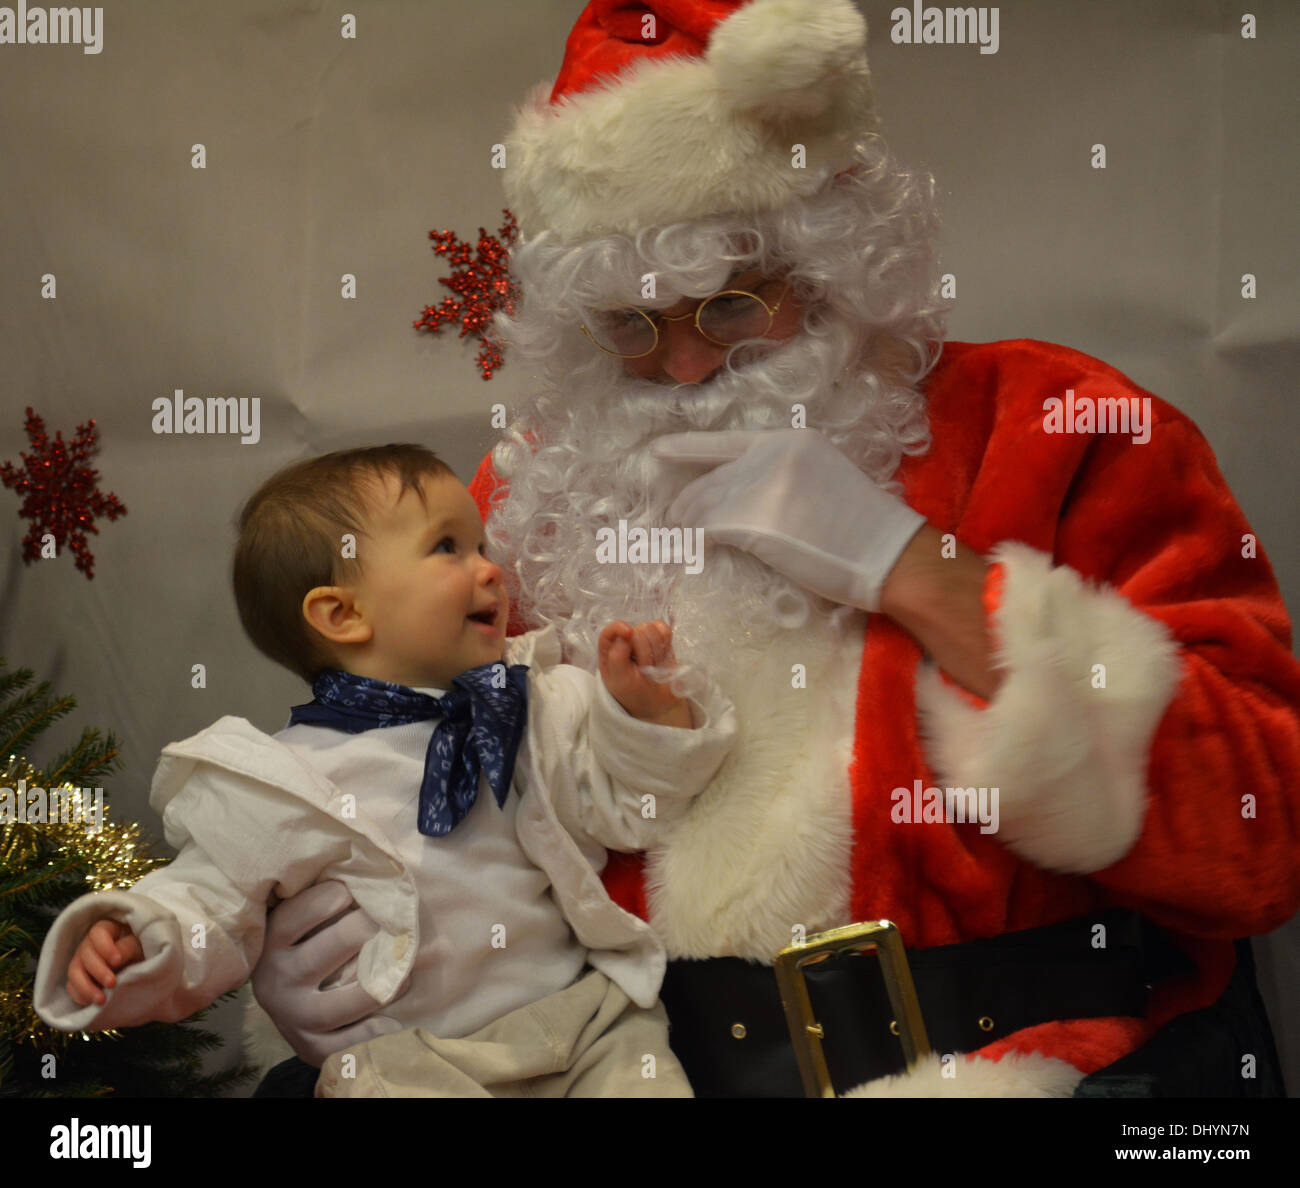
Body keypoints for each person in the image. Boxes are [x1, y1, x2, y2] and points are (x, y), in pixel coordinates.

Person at [249, 0, 1300, 1097]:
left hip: (1014, 1066)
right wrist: (354, 968)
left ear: (837, 263)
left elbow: (1260, 837)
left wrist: (911, 568)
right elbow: (416, 792)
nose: (686, 367)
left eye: (733, 306)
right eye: (630, 324)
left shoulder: (1058, 427)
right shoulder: (520, 502)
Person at [33, 443, 736, 1097]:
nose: (491, 568)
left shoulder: (534, 704)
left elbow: (628, 810)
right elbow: (211, 900)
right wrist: (141, 936)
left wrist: (645, 716)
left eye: (482, 544)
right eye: (447, 548)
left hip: (582, 1021)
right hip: (408, 1061)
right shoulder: (280, 778)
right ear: (342, 614)